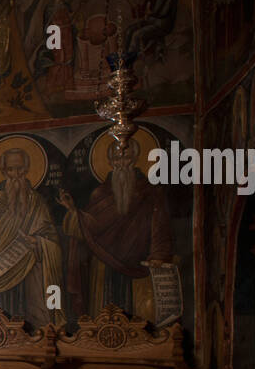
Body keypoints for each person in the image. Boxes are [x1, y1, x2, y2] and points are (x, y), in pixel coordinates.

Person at [61, 138, 172, 322]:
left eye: (126, 158)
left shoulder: (150, 192)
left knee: (140, 320)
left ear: (135, 159)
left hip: (140, 264)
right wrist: (74, 212)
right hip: (103, 266)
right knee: (104, 319)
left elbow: (160, 226)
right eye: (117, 159)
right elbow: (89, 230)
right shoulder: (100, 194)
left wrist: (158, 254)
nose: (121, 163)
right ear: (111, 162)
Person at [0, 147, 63, 328]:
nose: (15, 174)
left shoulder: (37, 202)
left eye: (20, 169)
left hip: (32, 273)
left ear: (26, 170)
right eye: (10, 169)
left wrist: (39, 243)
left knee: (37, 324)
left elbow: (52, 240)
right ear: (3, 171)